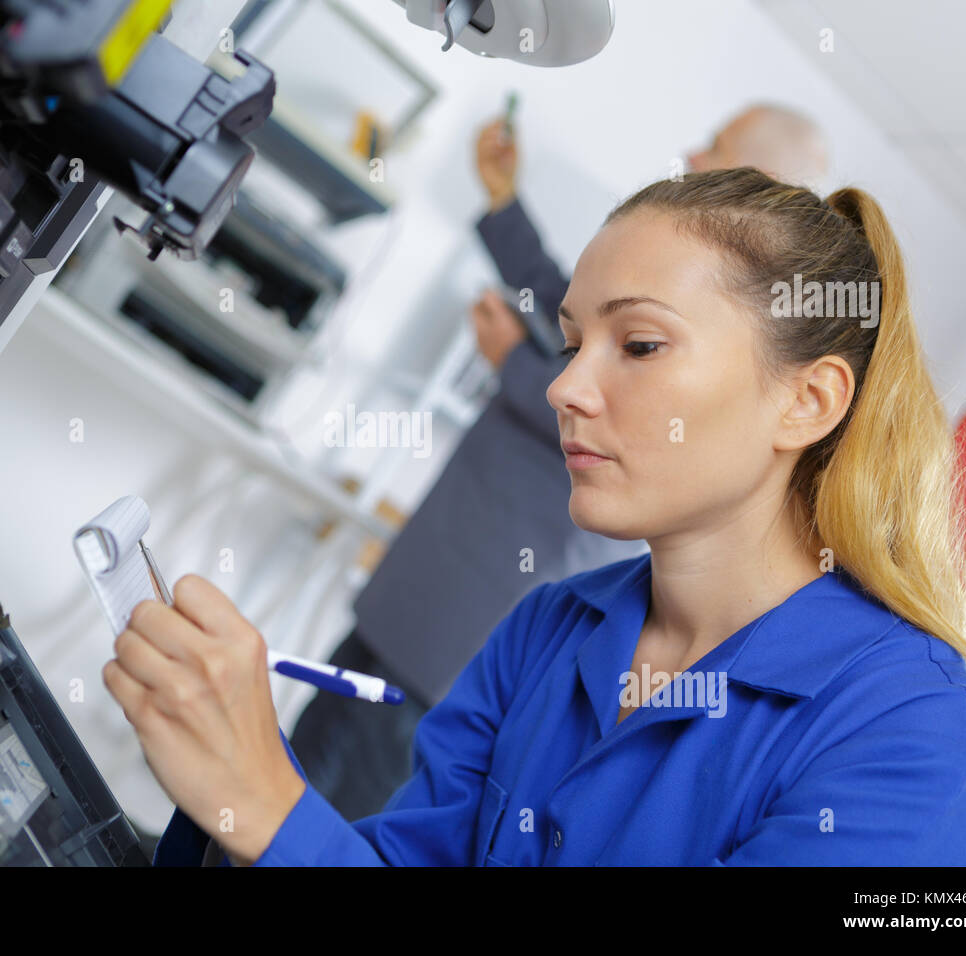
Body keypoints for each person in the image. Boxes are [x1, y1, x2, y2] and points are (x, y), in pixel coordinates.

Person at [109, 166, 966, 866]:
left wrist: (275, 809)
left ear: (807, 402)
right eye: (575, 343)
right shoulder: (551, 628)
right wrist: (228, 788)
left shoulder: (926, 738)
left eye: (641, 345)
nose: (566, 387)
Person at [284, 103, 831, 822]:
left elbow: (640, 431)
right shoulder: (685, 284)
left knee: (327, 816)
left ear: (756, 181)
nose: (691, 151)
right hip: (429, 594)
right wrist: (504, 202)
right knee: (291, 772)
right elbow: (571, 312)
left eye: (714, 145)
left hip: (463, 624)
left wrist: (515, 361)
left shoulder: (740, 334)